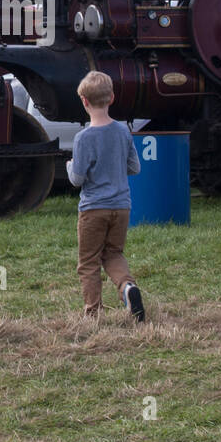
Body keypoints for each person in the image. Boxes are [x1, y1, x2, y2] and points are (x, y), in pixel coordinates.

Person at [66, 70, 145, 321]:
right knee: (113, 254)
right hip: (121, 207)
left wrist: (70, 165)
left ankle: (93, 312)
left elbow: (77, 179)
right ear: (112, 98)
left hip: (93, 209)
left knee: (89, 261)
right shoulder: (123, 132)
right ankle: (127, 288)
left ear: (84, 101)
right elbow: (135, 168)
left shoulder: (83, 138)